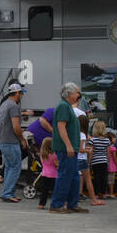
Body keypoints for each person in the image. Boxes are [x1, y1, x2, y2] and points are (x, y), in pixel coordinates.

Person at [48, 82, 85, 213]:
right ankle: (57, 205)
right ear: (69, 94)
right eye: (76, 92)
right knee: (65, 175)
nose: (78, 94)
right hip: (65, 148)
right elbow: (61, 126)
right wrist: (69, 145)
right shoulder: (63, 106)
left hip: (71, 148)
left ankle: (72, 203)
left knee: (74, 175)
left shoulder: (67, 106)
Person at [0, 82, 26, 203]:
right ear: (18, 93)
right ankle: (7, 193)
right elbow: (16, 127)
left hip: (3, 140)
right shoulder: (13, 106)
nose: (22, 96)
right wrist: (22, 139)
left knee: (9, 167)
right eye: (22, 94)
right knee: (15, 167)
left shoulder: (4, 104)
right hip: (11, 141)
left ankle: (8, 192)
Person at [89, 120, 112, 200]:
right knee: (103, 178)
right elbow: (108, 153)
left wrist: (89, 162)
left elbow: (91, 153)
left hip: (95, 161)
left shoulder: (92, 140)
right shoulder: (107, 140)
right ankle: (104, 193)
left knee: (96, 178)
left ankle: (96, 194)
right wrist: (108, 162)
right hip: (104, 161)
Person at [36, 138, 57, 209]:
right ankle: (54, 204)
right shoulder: (54, 155)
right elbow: (57, 164)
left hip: (44, 174)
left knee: (44, 191)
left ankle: (41, 204)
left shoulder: (42, 155)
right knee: (54, 190)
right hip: (53, 175)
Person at [106, 132, 117, 198]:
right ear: (110, 139)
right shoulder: (113, 148)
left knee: (106, 180)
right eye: (114, 138)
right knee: (111, 181)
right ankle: (111, 193)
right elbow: (115, 158)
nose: (115, 139)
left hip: (106, 165)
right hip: (112, 166)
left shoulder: (106, 147)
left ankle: (106, 193)